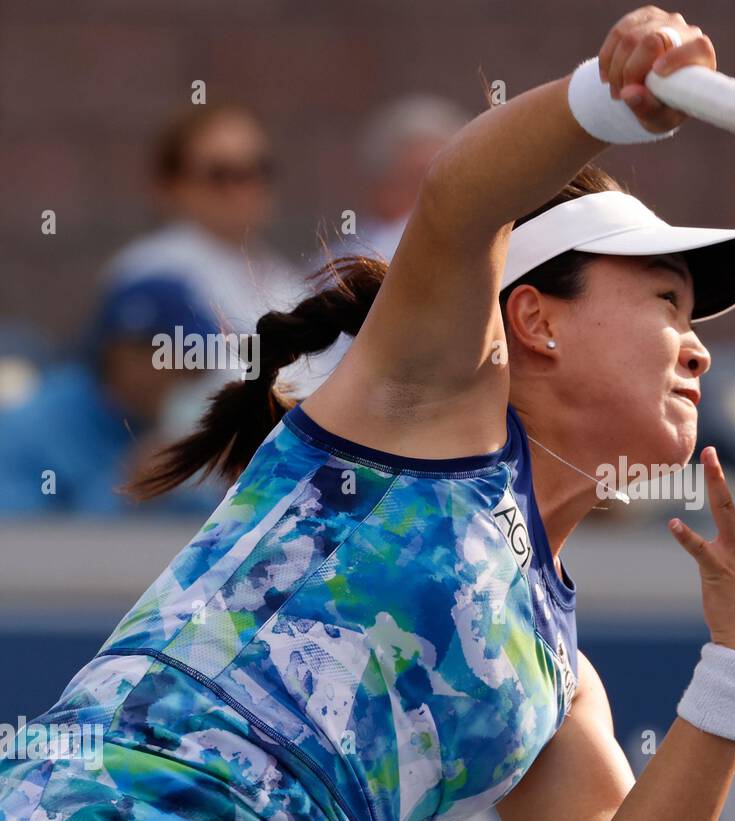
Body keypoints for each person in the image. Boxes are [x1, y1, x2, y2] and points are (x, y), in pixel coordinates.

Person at [0, 9, 735, 821]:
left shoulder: (557, 677)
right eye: (666, 301)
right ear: (536, 321)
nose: (700, 343)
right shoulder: (431, 405)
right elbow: (463, 198)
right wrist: (608, 99)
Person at [103, 102, 305, 438]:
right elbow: (180, 401)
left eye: (258, 170)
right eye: (222, 174)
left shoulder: (285, 275)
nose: (244, 187)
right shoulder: (150, 271)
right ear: (171, 186)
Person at [277, 95, 473, 399]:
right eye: (419, 179)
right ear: (383, 184)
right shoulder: (341, 262)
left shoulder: (476, 252)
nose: (436, 194)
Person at [0, 274, 226, 515]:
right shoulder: (29, 429)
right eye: (182, 361)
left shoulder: (158, 424)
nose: (189, 378)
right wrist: (128, 486)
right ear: (123, 354)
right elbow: (17, 537)